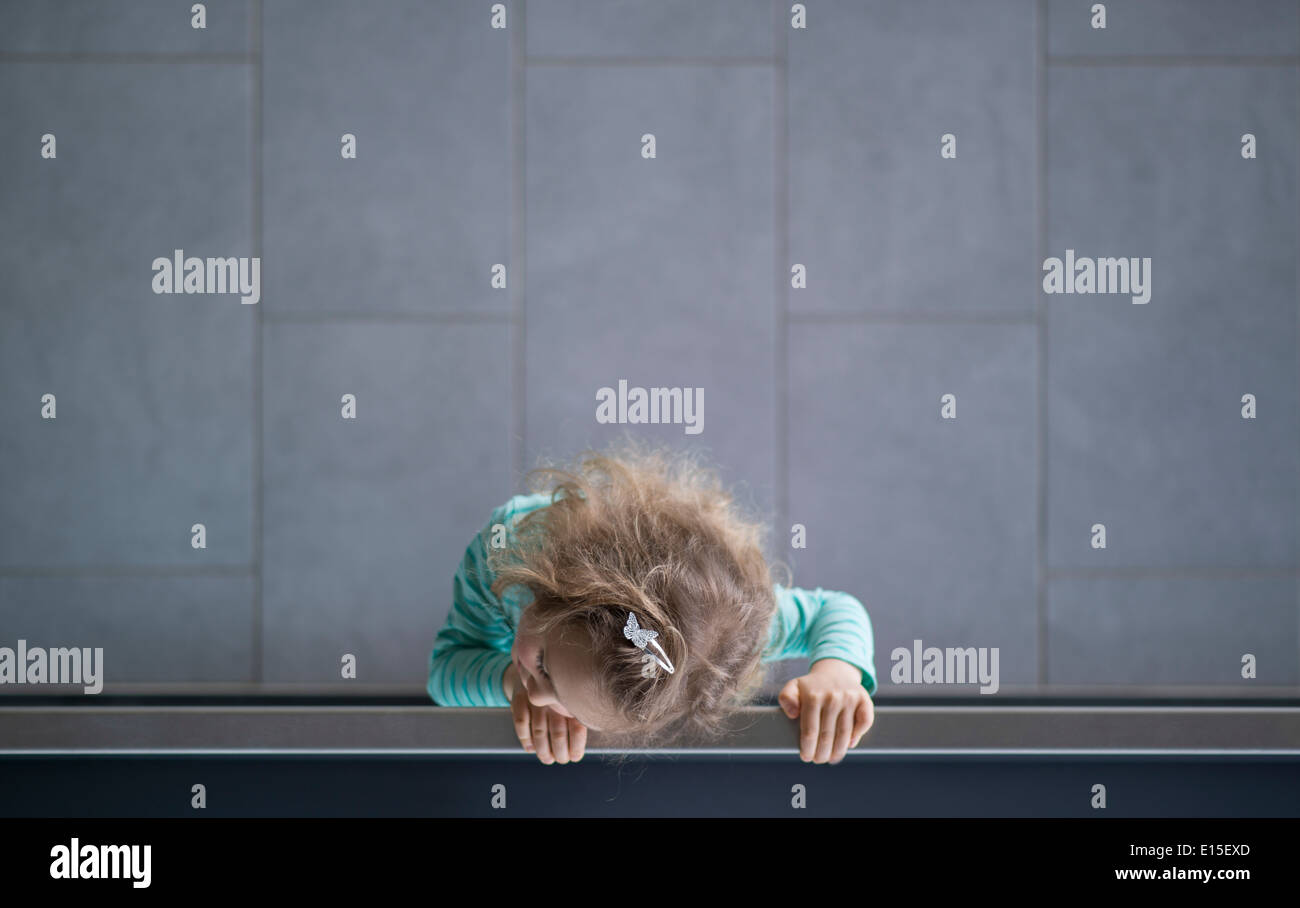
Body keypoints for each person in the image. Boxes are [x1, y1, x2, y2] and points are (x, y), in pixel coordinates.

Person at [427, 438, 877, 765]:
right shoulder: (506, 548)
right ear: (549, 594)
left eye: (561, 697)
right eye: (542, 664)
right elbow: (445, 669)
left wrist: (837, 671)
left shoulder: (717, 647)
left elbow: (833, 613)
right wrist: (509, 681)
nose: (537, 694)